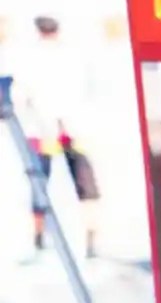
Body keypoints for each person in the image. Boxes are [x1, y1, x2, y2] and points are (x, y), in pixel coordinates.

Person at [12, 16, 102, 258]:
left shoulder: (29, 58)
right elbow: (88, 90)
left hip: (44, 129)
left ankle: (39, 236)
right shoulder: (74, 56)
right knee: (85, 184)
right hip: (71, 127)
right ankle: (91, 238)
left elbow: (20, 96)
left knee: (39, 182)